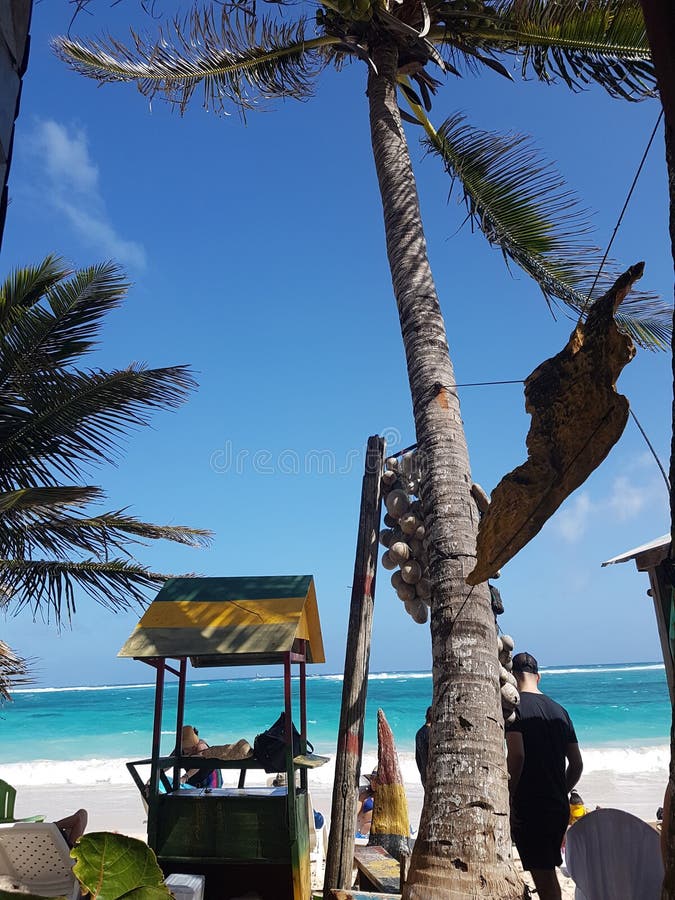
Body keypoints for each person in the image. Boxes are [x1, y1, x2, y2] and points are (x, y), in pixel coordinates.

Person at [505, 652, 583, 900]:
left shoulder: (514, 708)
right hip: (557, 806)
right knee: (547, 870)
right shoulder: (560, 711)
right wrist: (561, 790)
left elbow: (516, 756)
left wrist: (509, 796)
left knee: (544, 876)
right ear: (538, 677)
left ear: (513, 677)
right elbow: (577, 764)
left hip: (530, 805)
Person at [356, 770, 377, 838]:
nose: (373, 782)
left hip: (378, 834)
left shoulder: (387, 798)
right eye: (372, 779)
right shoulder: (364, 795)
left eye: (376, 779)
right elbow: (355, 813)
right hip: (363, 834)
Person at [415, 706, 432, 789]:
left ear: (426, 717)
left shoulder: (419, 733)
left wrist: (422, 772)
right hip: (432, 773)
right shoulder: (432, 734)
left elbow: (417, 757)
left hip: (424, 774)